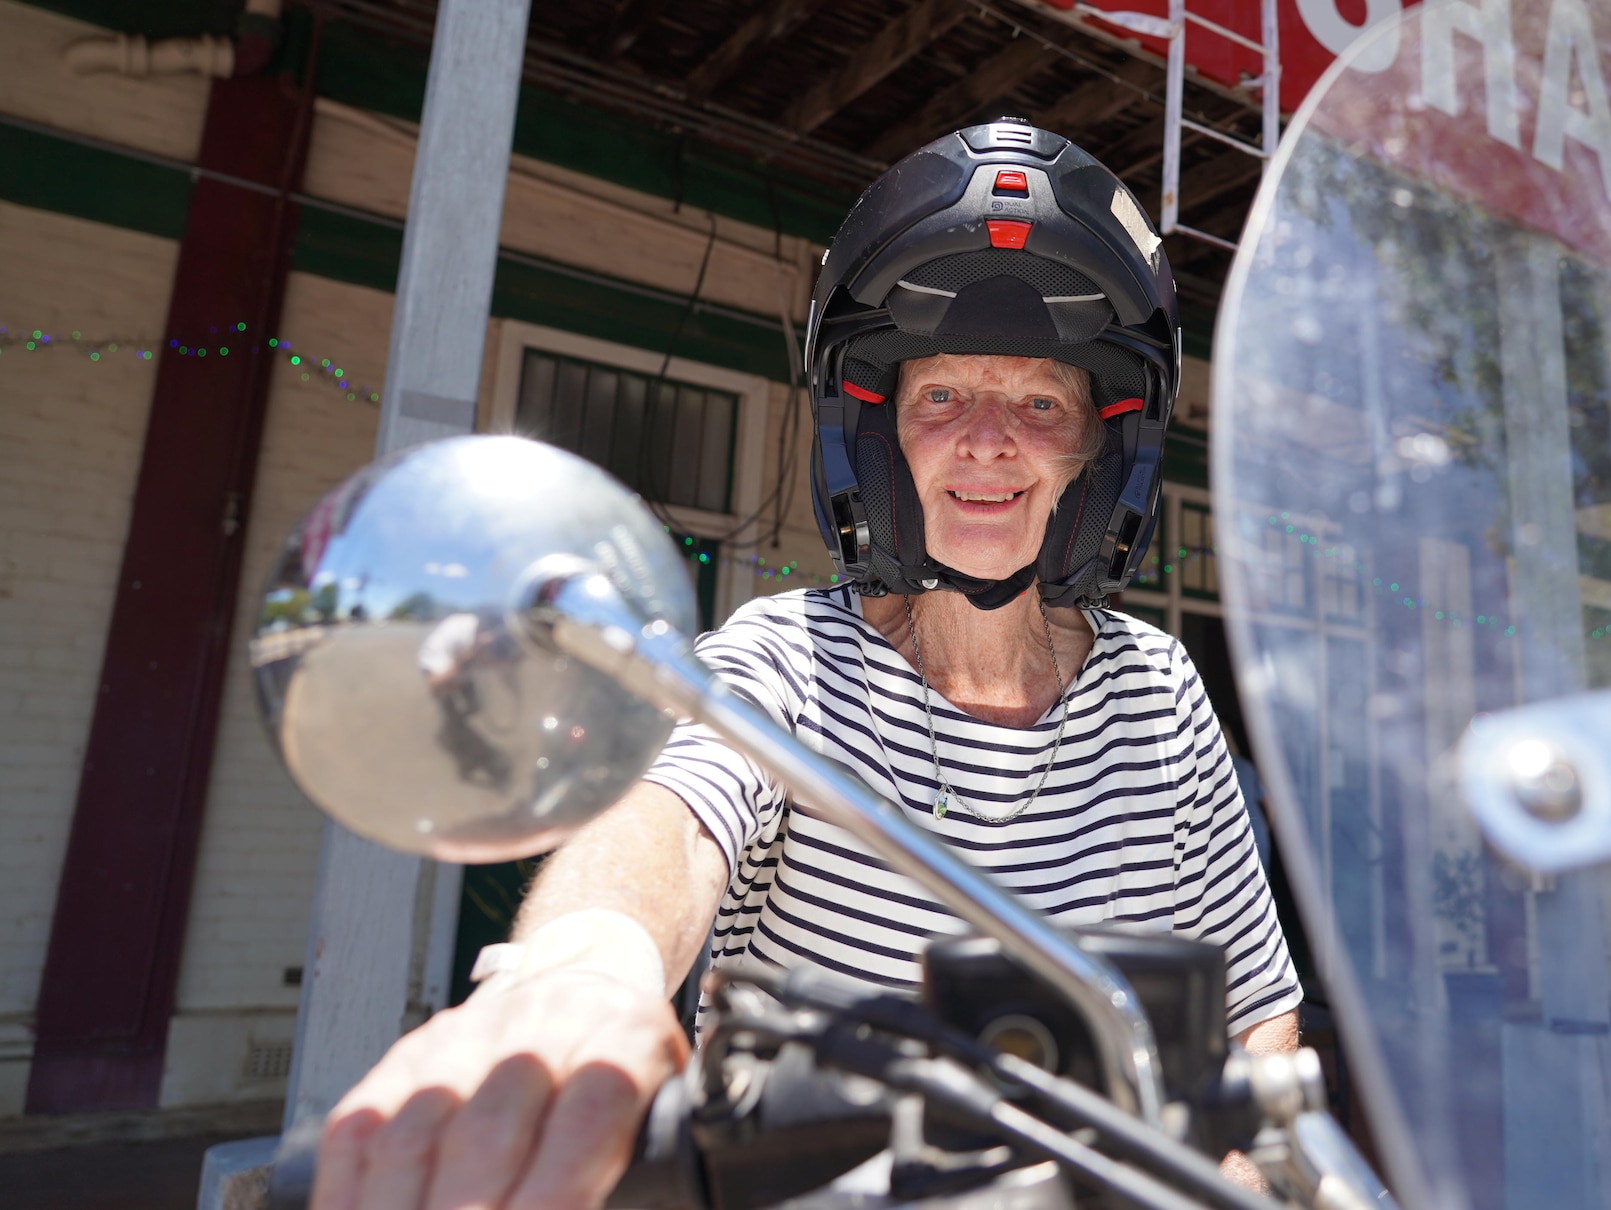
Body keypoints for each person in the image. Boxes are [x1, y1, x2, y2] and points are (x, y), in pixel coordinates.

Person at [311, 121, 1303, 1210]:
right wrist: (582, 972)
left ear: (1095, 452)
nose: (987, 440)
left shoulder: (1159, 691)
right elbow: (664, 823)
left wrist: (1245, 1169)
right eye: (941, 397)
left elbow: (1254, 1005)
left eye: (1038, 402)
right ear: (876, 436)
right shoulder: (786, 659)